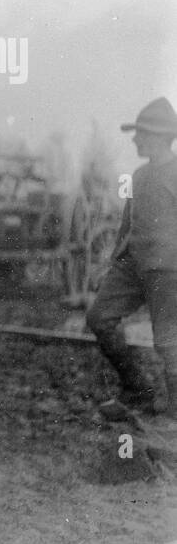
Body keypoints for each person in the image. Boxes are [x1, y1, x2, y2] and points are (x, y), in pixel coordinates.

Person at [86, 97, 177, 422]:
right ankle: (138, 389)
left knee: (169, 342)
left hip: (168, 271)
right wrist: (112, 264)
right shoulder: (138, 176)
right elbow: (127, 223)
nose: (136, 140)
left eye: (141, 134)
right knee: (99, 318)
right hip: (133, 266)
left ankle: (173, 418)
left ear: (158, 136)